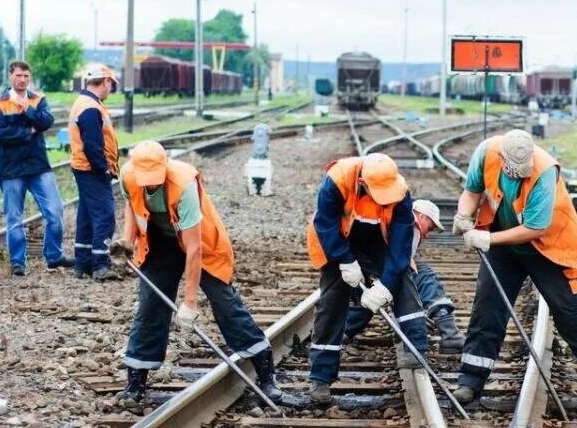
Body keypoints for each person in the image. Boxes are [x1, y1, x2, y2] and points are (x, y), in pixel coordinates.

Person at [452, 129, 577, 406]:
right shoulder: (486, 153)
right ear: (502, 159)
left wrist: (486, 238)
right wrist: (463, 214)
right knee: (487, 308)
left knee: (572, 309)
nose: (521, 174)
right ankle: (470, 381)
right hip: (503, 245)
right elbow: (471, 192)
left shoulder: (544, 172)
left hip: (548, 245)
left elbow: (534, 228)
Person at [112, 141, 280, 406]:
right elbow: (133, 207)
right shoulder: (128, 175)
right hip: (159, 242)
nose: (150, 185)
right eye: (146, 181)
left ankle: (266, 376)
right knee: (150, 306)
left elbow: (192, 249)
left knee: (225, 301)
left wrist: (190, 302)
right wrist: (127, 242)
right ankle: (135, 384)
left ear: (165, 168)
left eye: (154, 180)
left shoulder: (183, 184)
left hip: (199, 241)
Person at [306, 153, 428, 405]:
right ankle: (321, 377)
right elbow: (325, 224)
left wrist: (385, 285)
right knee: (331, 301)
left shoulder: (401, 192)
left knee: (403, 282)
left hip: (377, 238)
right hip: (338, 238)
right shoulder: (337, 180)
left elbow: (401, 244)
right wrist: (345, 259)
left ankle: (416, 349)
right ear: (362, 182)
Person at [342, 198, 466, 353]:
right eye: (431, 226)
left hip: (358, 260)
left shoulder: (399, 218)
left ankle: (337, 333)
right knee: (424, 278)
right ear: (421, 216)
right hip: (367, 262)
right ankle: (449, 332)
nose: (428, 233)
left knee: (370, 299)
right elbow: (399, 263)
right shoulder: (411, 225)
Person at [0, 60, 71, 276]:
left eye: (26, 76)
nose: (22, 80)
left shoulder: (38, 99)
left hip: (38, 166)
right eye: (18, 75)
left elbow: (47, 122)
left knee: (55, 211)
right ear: (10, 76)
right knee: (14, 218)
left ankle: (54, 256)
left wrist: (28, 109)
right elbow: (0, 134)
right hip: (11, 169)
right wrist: (28, 133)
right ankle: (18, 263)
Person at [68, 64, 120, 281]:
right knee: (104, 215)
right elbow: (93, 145)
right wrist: (104, 170)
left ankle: (83, 263)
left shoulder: (84, 103)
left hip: (83, 168)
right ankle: (100, 264)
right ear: (106, 81)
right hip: (92, 169)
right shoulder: (90, 107)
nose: (110, 90)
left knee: (87, 216)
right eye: (111, 85)